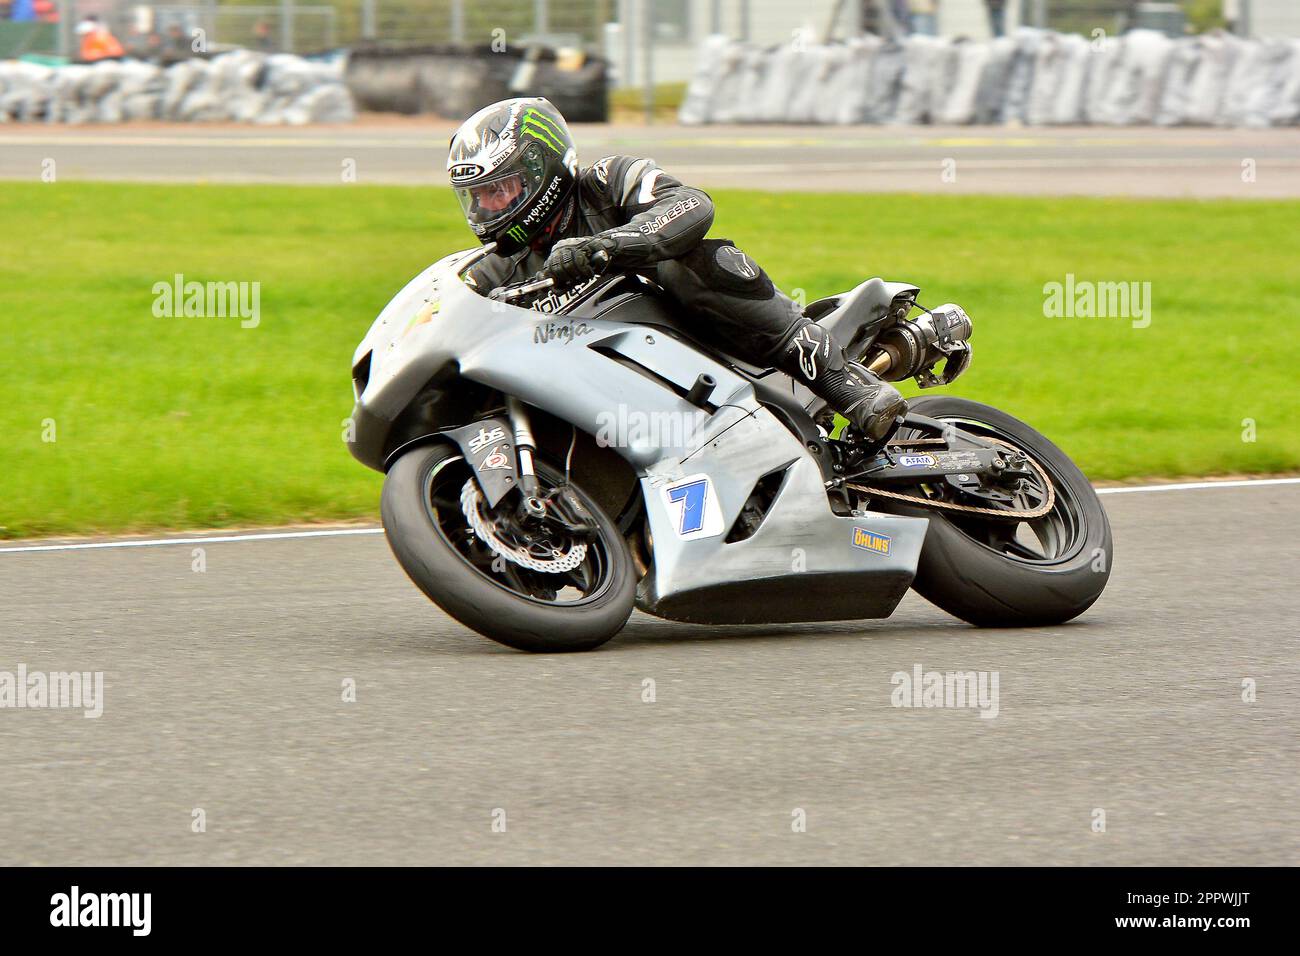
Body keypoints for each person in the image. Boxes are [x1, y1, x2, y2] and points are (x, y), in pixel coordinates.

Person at [448, 98, 908, 445]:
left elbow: (691, 205)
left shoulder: (607, 181)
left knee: (686, 260)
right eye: (477, 196)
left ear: (539, 167)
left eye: (499, 189)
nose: (487, 207)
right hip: (617, 390)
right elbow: (455, 313)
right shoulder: (496, 268)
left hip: (706, 335)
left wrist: (605, 246)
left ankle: (843, 382)